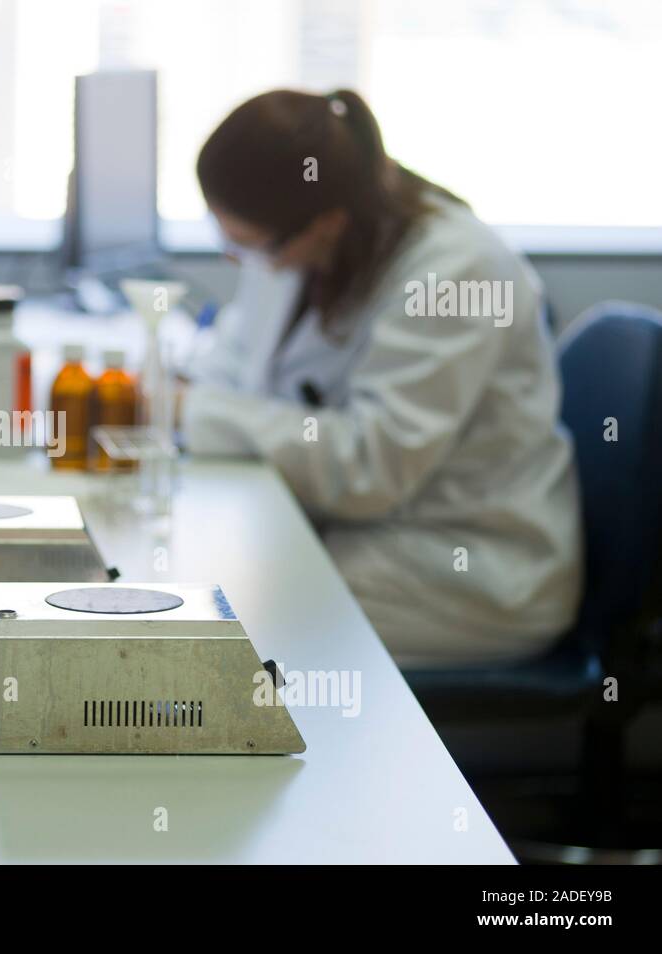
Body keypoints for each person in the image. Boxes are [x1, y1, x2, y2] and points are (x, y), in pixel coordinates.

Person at [182, 88, 582, 668]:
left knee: (237, 631)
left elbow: (372, 467)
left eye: (244, 244)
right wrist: (185, 398)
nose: (233, 259)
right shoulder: (301, 234)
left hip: (463, 566)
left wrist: (194, 412)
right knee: (210, 587)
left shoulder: (457, 271)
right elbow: (238, 360)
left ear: (326, 224)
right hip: (360, 535)